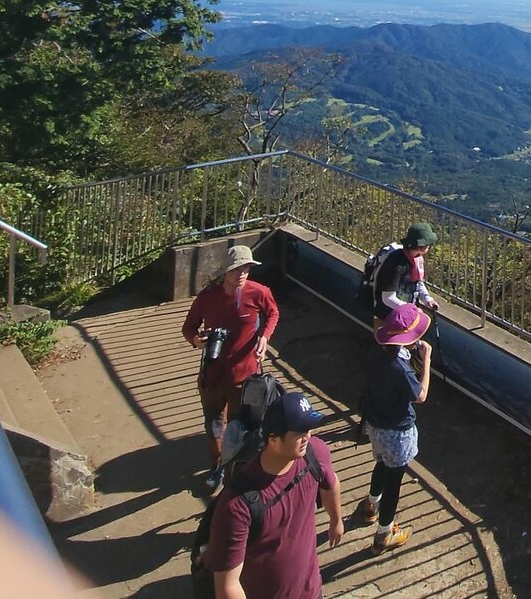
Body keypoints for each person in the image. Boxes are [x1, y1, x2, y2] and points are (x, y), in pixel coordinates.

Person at [203, 390, 348, 599]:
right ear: (273, 439)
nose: (308, 436)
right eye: (299, 431)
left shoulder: (315, 453)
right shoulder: (237, 505)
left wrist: (336, 519)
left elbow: (331, 483)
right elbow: (227, 587)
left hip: (311, 591)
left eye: (308, 428)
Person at [183, 244, 280, 484]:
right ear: (225, 272)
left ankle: (239, 470)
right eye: (237, 269)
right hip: (212, 375)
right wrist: (197, 341)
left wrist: (264, 337)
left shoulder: (259, 292)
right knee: (214, 424)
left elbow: (273, 313)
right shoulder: (207, 297)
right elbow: (188, 327)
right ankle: (216, 466)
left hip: (245, 377)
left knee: (243, 426)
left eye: (246, 268)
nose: (242, 274)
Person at [350, 302, 435, 551]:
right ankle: (383, 534)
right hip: (397, 432)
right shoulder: (399, 368)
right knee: (394, 480)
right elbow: (420, 395)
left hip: (375, 426)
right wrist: (426, 361)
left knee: (381, 464)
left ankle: (370, 505)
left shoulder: (376, 353)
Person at [358, 223, 438, 325]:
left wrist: (427, 299)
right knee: (393, 341)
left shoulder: (416, 259)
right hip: (387, 315)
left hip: (404, 313)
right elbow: (387, 298)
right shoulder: (396, 265)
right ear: (422, 247)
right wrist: (411, 310)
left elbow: (417, 283)